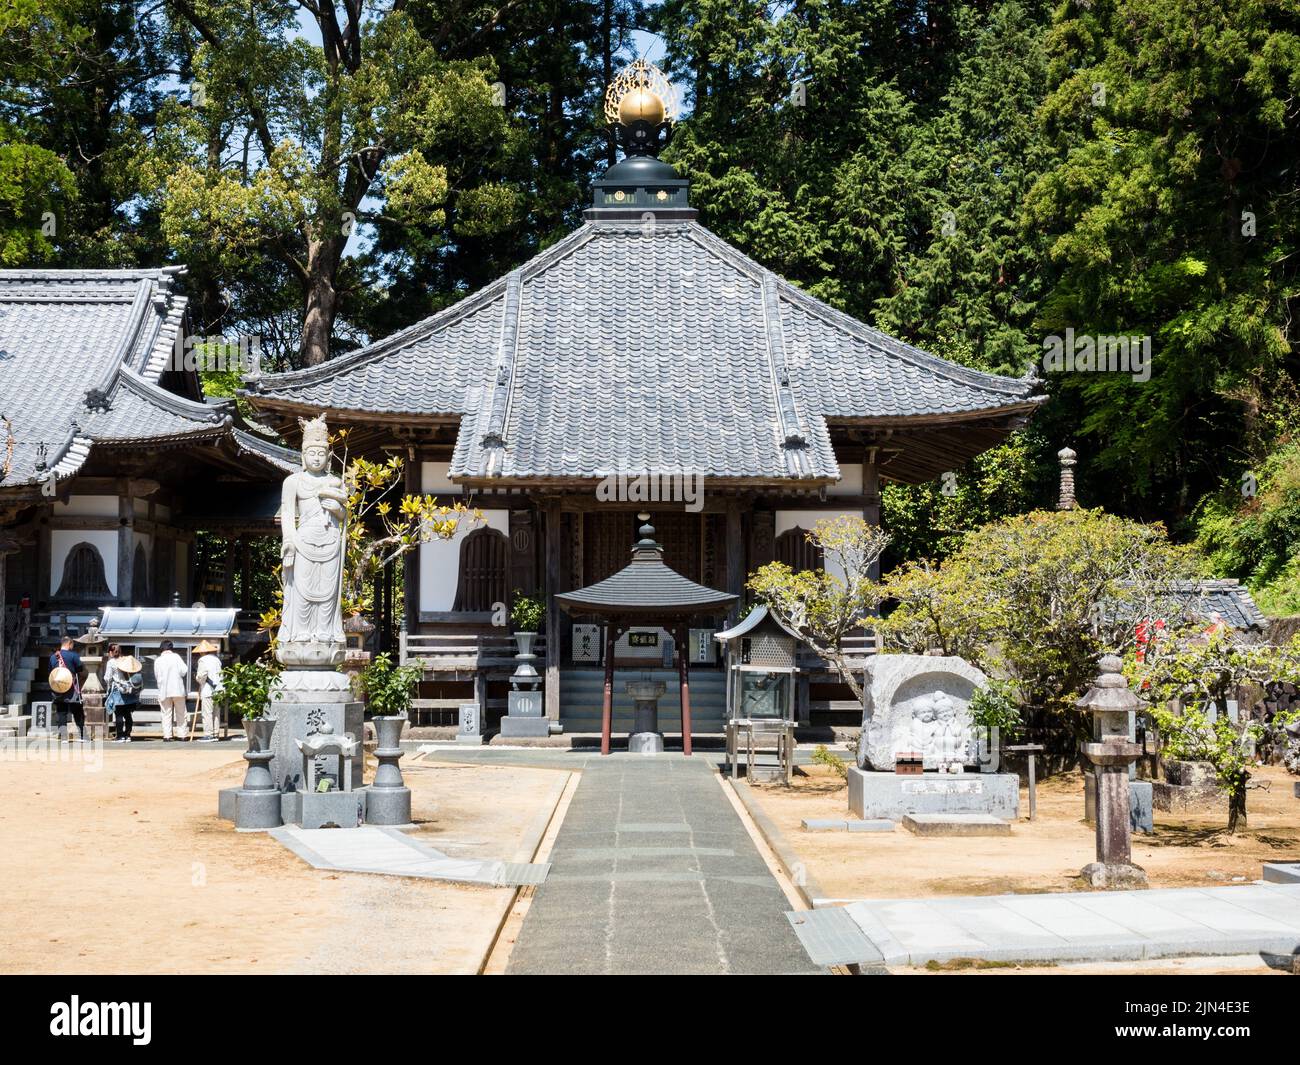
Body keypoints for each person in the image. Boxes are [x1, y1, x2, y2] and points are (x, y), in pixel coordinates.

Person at [48, 636, 86, 742]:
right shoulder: (73, 655)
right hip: (72, 688)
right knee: (78, 712)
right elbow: (80, 669)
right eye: (72, 644)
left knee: (61, 712)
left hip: (58, 688)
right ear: (69, 644)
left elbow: (50, 673)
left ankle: (64, 737)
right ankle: (82, 736)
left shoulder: (52, 657)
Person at [153, 640, 190, 741]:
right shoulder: (176, 657)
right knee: (181, 712)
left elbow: (157, 676)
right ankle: (182, 735)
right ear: (171, 648)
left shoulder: (158, 660)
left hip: (164, 690)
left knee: (166, 713)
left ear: (161, 649)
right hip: (177, 688)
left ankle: (167, 736)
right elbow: (184, 671)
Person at [104, 646, 142, 743]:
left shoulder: (111, 662)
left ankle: (120, 736)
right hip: (130, 690)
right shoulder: (127, 660)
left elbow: (107, 678)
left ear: (111, 652)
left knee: (119, 714)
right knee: (128, 714)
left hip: (119, 690)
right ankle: (128, 735)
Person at [193, 640, 225, 742]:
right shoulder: (216, 659)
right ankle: (216, 734)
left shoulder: (202, 660)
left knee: (207, 713)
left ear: (202, 652)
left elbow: (202, 675)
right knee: (216, 713)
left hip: (208, 690)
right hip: (219, 689)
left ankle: (208, 734)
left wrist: (197, 679)